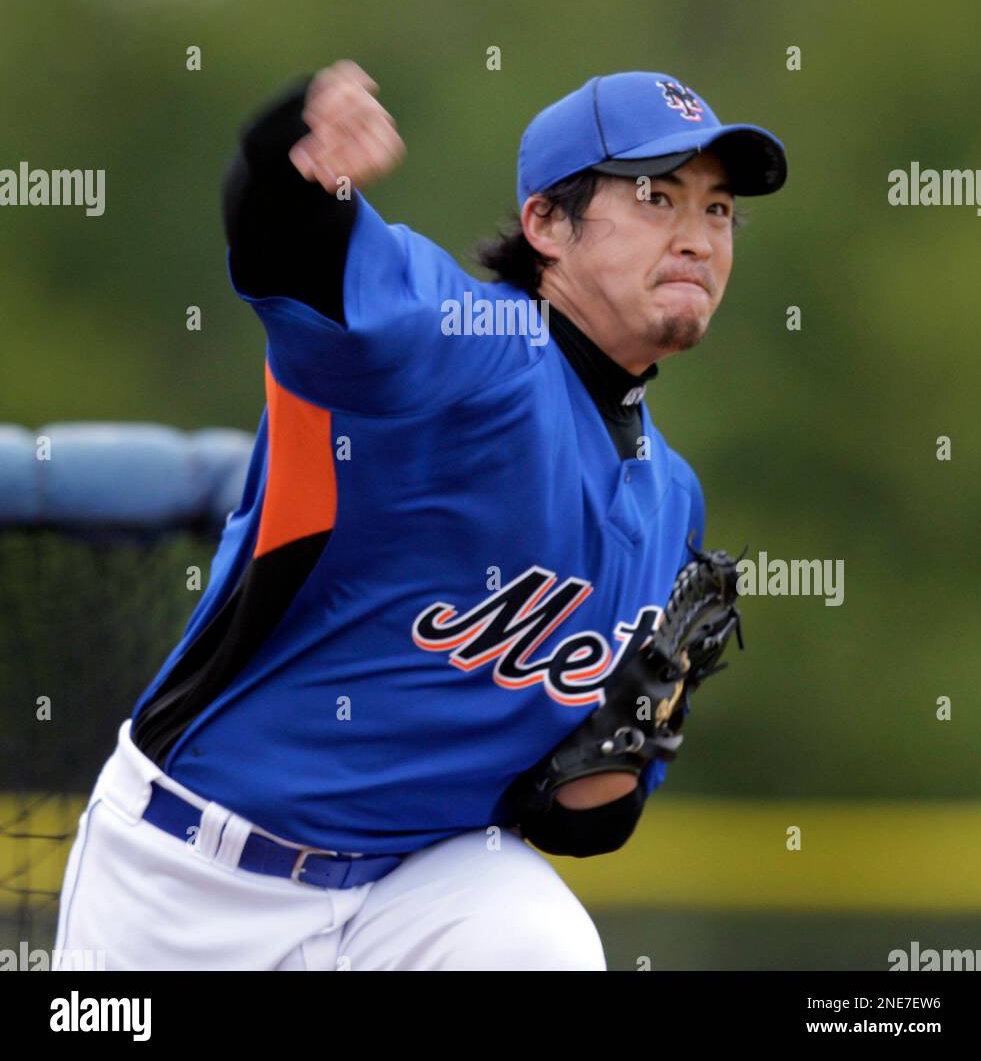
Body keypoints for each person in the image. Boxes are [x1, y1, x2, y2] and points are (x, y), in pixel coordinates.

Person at [53, 61, 787, 971]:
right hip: (194, 878)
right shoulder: (466, 350)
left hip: (416, 893)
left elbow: (575, 820)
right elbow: (288, 241)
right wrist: (299, 142)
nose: (696, 236)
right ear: (546, 224)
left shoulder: (673, 500)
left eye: (716, 210)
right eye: (656, 197)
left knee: (539, 942)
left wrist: (619, 757)